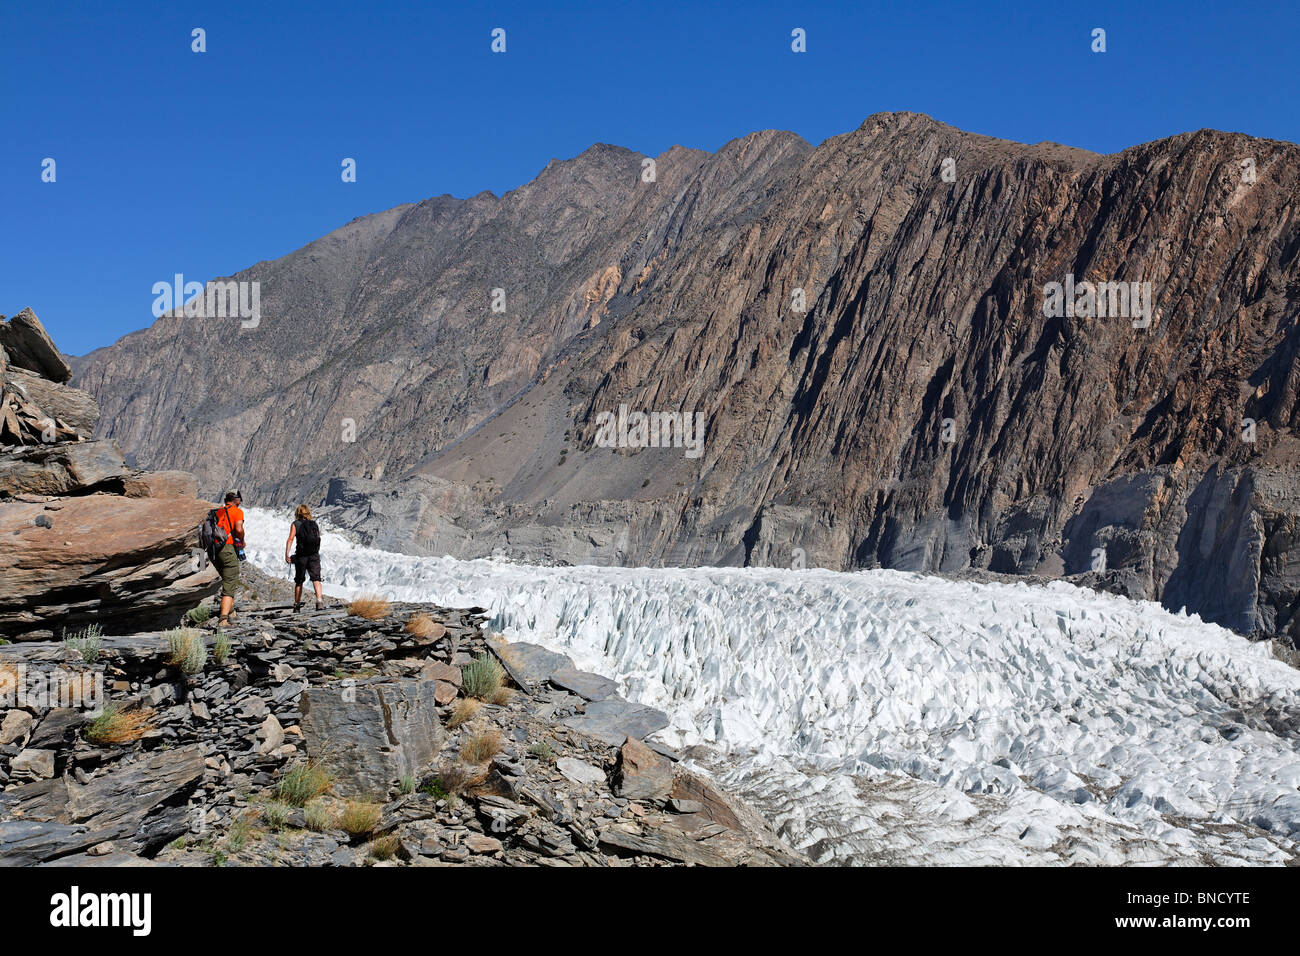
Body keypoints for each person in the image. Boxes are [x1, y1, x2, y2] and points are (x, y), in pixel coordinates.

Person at [213, 490, 245, 625]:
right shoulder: (237, 512)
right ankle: (223, 619)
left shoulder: (218, 510)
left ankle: (231, 612)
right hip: (228, 548)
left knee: (227, 579)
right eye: (240, 499)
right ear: (236, 500)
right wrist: (242, 540)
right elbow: (238, 530)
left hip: (215, 550)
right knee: (230, 581)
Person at [285, 504, 324, 612]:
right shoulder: (314, 524)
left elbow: (290, 539)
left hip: (301, 556)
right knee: (316, 579)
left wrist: (287, 553)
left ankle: (297, 605)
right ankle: (319, 601)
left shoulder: (295, 524)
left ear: (297, 513)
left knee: (299, 581)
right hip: (314, 555)